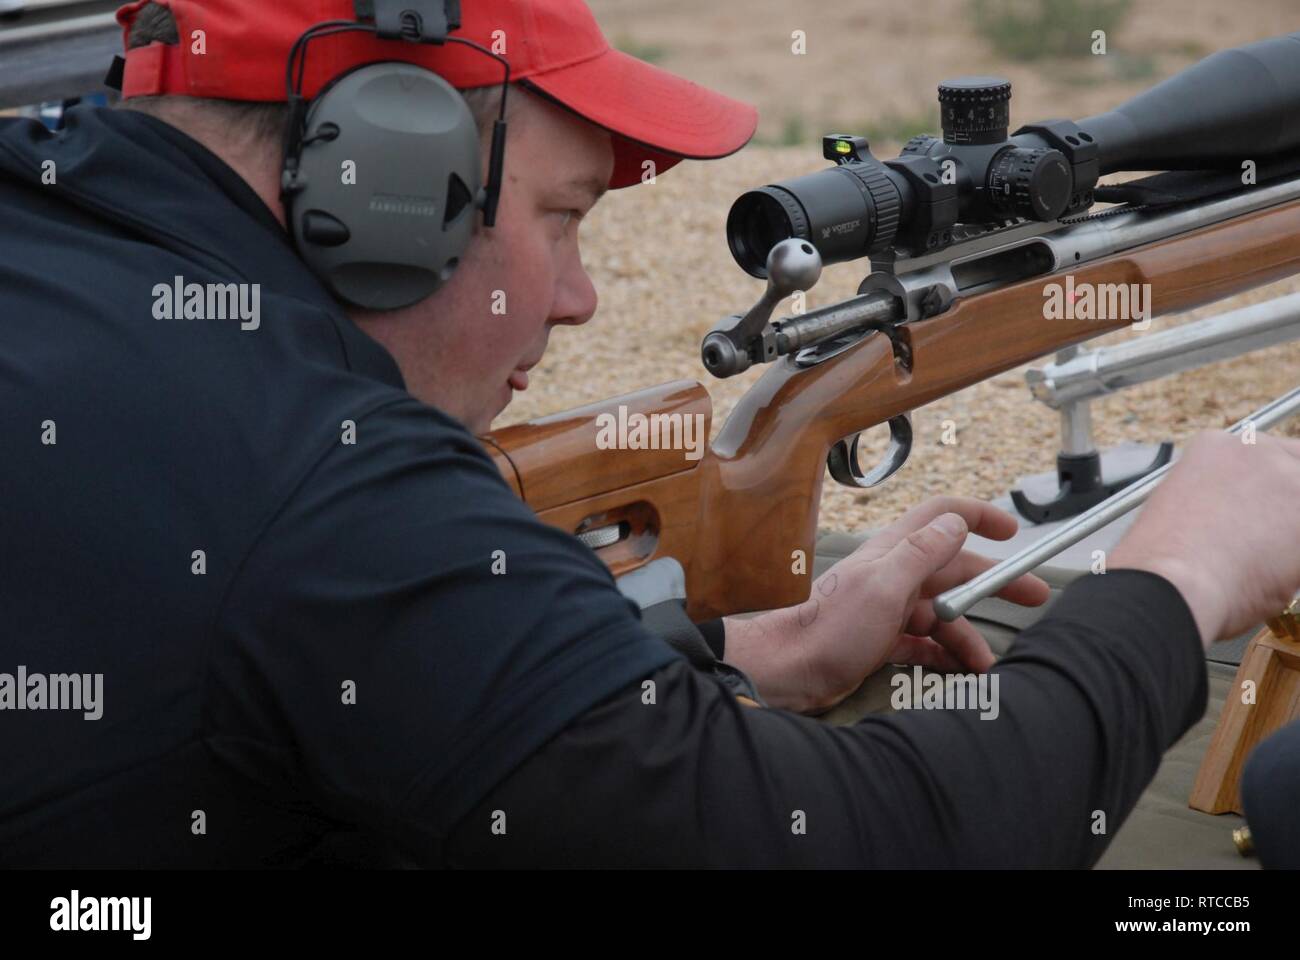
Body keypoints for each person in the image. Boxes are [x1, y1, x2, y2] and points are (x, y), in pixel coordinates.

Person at [1, 0, 1298, 868]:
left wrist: (748, 651)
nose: (580, 297)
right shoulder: (326, 484)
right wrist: (1173, 584)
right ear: (382, 183)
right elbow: (876, 844)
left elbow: (392, 675)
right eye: (563, 216)